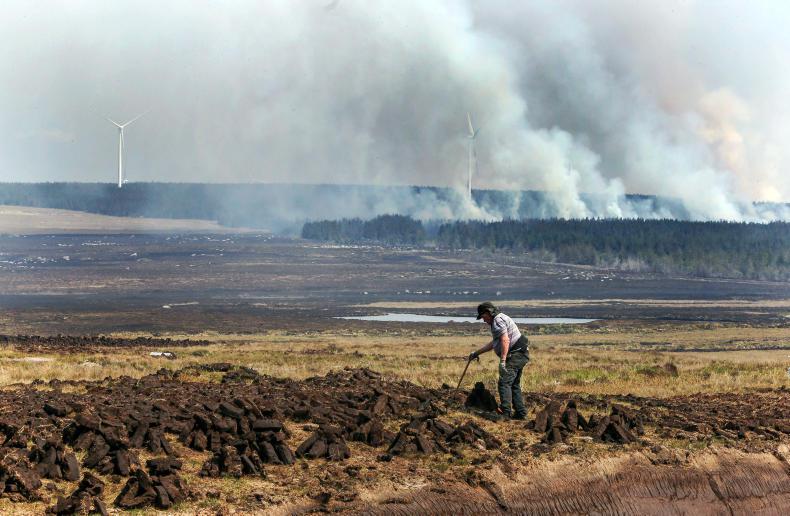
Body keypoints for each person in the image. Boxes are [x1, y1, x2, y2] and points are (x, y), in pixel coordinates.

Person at [468, 302, 530, 419]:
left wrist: (503, 361)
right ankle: (521, 413)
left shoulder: (497, 321)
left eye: (483, 317)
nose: (483, 320)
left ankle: (505, 412)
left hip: (515, 354)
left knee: (504, 382)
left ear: (488, 313)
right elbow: (495, 343)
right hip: (520, 353)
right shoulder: (500, 319)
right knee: (514, 384)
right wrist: (476, 353)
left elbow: (505, 340)